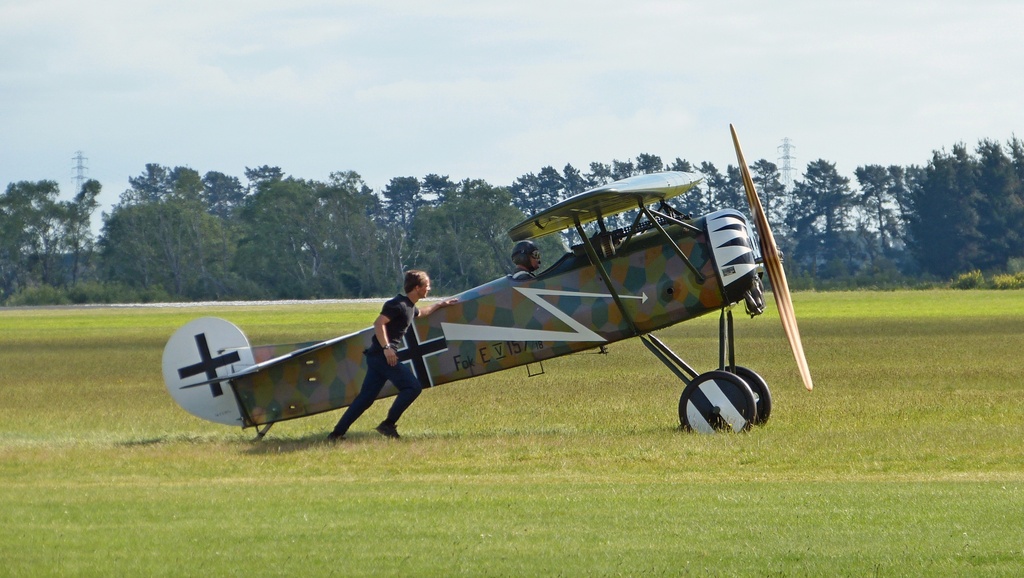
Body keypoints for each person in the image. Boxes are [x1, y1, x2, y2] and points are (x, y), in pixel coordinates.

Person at [328, 270, 457, 441]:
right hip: (382, 357)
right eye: (427, 285)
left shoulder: (409, 307)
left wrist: (440, 305)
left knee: (366, 398)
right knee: (413, 387)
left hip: (377, 357)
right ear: (417, 287)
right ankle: (388, 424)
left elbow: (421, 313)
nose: (429, 288)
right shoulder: (397, 304)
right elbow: (379, 323)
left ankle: (336, 434)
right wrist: (387, 348)